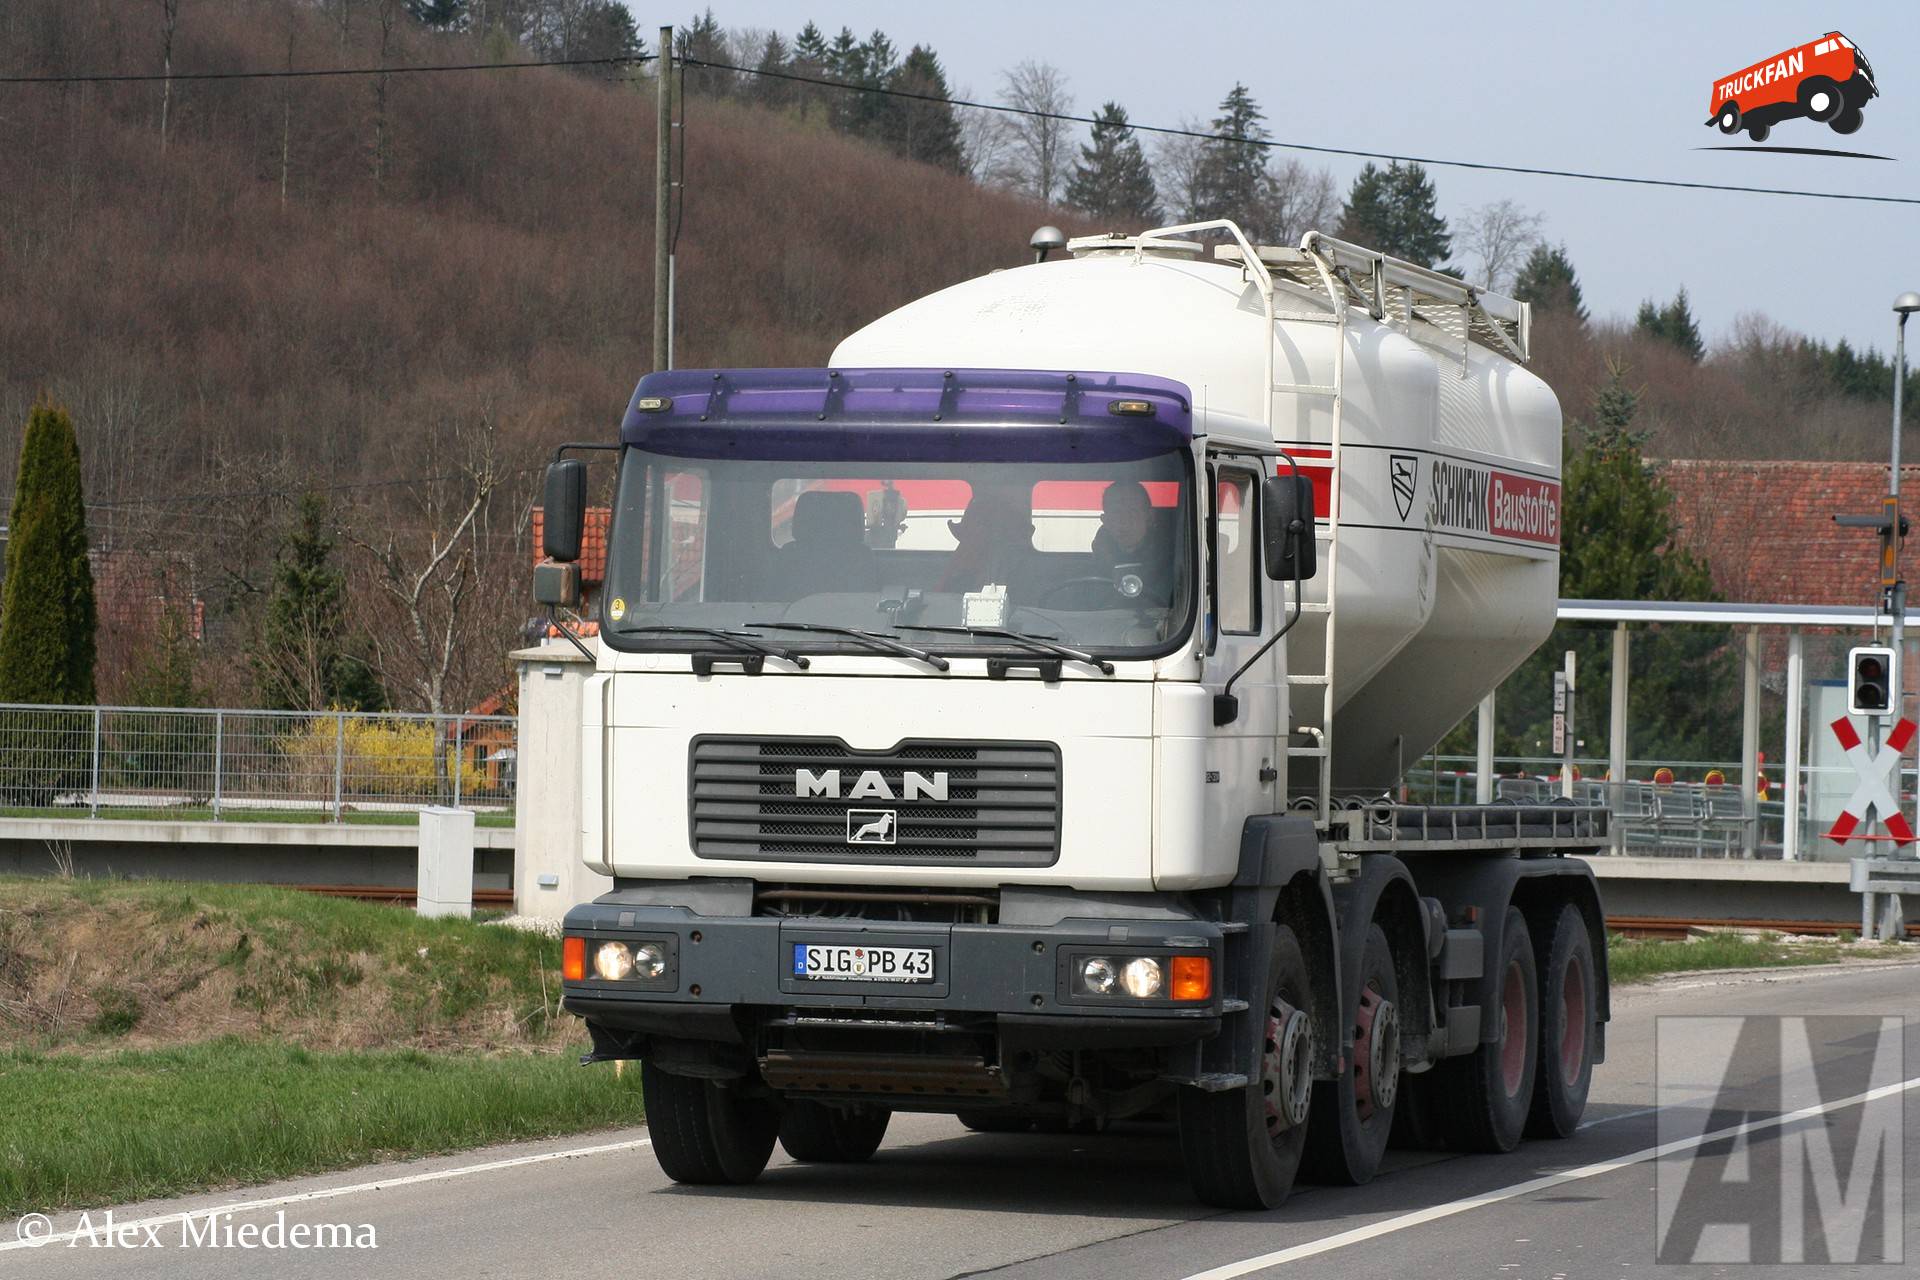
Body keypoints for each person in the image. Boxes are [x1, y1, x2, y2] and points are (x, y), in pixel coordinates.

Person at [938, 486, 1036, 594]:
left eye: (981, 525)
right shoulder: (963, 554)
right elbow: (941, 595)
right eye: (969, 533)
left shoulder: (1009, 561)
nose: (972, 538)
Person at [1090, 480, 1174, 602]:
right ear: (1105, 520)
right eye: (1116, 513)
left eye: (1132, 512)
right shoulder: (1096, 565)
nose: (1124, 522)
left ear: (1149, 517)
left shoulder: (1171, 564)